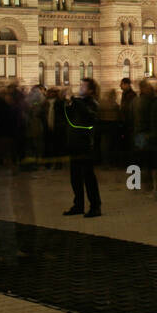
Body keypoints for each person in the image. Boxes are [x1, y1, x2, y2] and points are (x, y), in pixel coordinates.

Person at [63, 77, 101, 217]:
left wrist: (75, 100)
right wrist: (67, 104)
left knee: (88, 177)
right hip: (75, 144)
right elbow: (68, 117)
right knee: (75, 177)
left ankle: (95, 206)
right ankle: (78, 205)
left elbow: (88, 116)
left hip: (86, 144)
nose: (80, 88)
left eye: (83, 87)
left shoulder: (92, 103)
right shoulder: (79, 103)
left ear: (90, 90)